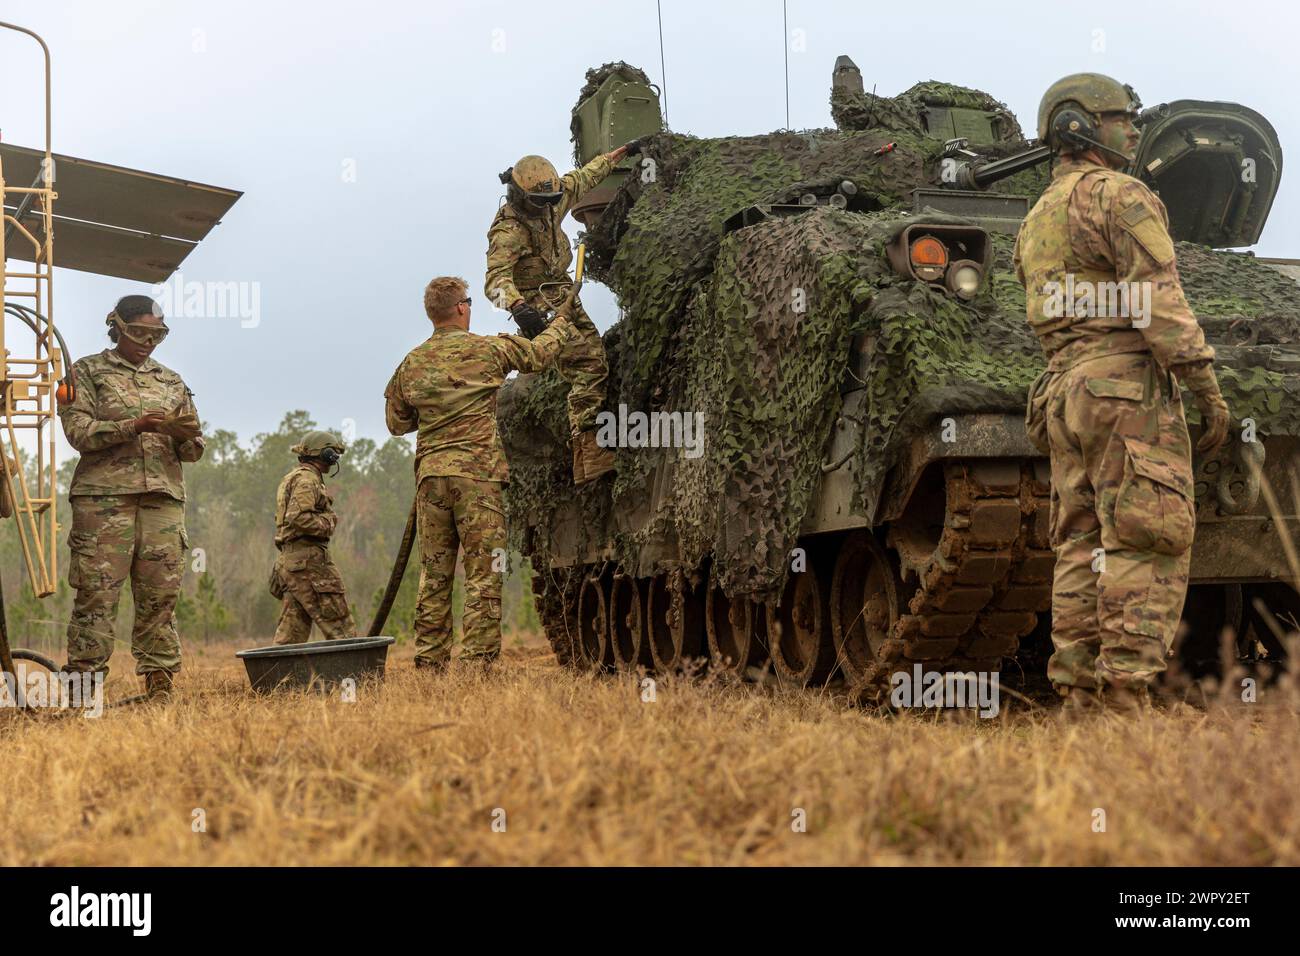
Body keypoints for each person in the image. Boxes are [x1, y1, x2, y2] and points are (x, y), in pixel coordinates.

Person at [1013, 73, 1231, 713]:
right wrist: (1205, 388)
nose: (1135, 130)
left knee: (1081, 546)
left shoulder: (1037, 217)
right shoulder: (1120, 195)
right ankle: (1126, 704)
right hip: (1124, 391)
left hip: (1064, 392)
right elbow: (1157, 301)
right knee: (1146, 537)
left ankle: (1080, 702)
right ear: (1078, 126)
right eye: (1123, 118)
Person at [384, 276, 580, 669]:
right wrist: (563, 318)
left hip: (432, 481)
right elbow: (540, 356)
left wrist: (438, 409)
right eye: (469, 302)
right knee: (484, 573)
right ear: (460, 308)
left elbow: (397, 423)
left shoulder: (411, 363)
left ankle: (430, 665)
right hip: (478, 479)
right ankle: (475, 667)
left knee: (435, 576)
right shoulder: (489, 350)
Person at [58, 295, 205, 701]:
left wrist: (184, 436)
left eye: (157, 335)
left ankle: (159, 689)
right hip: (103, 503)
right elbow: (79, 433)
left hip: (162, 501)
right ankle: (82, 695)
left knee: (160, 598)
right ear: (117, 327)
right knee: (97, 596)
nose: (148, 342)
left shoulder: (171, 381)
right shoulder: (86, 372)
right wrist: (134, 425)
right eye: (139, 332)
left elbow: (194, 449)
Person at [484, 140, 643, 483]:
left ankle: (584, 459)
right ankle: (588, 447)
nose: (548, 208)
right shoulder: (508, 230)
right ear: (521, 197)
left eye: (552, 202)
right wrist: (518, 307)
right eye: (541, 203)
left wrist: (616, 156)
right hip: (536, 302)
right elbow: (494, 282)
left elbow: (583, 178)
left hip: (564, 292)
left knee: (597, 355)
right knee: (586, 363)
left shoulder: (553, 198)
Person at [270, 431, 357, 644]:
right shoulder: (307, 480)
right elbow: (298, 517)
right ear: (325, 454)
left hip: (291, 564)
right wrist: (329, 522)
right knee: (340, 627)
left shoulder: (292, 478)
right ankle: (356, 676)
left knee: (292, 633)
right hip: (310, 564)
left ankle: (280, 677)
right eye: (333, 454)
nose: (335, 459)